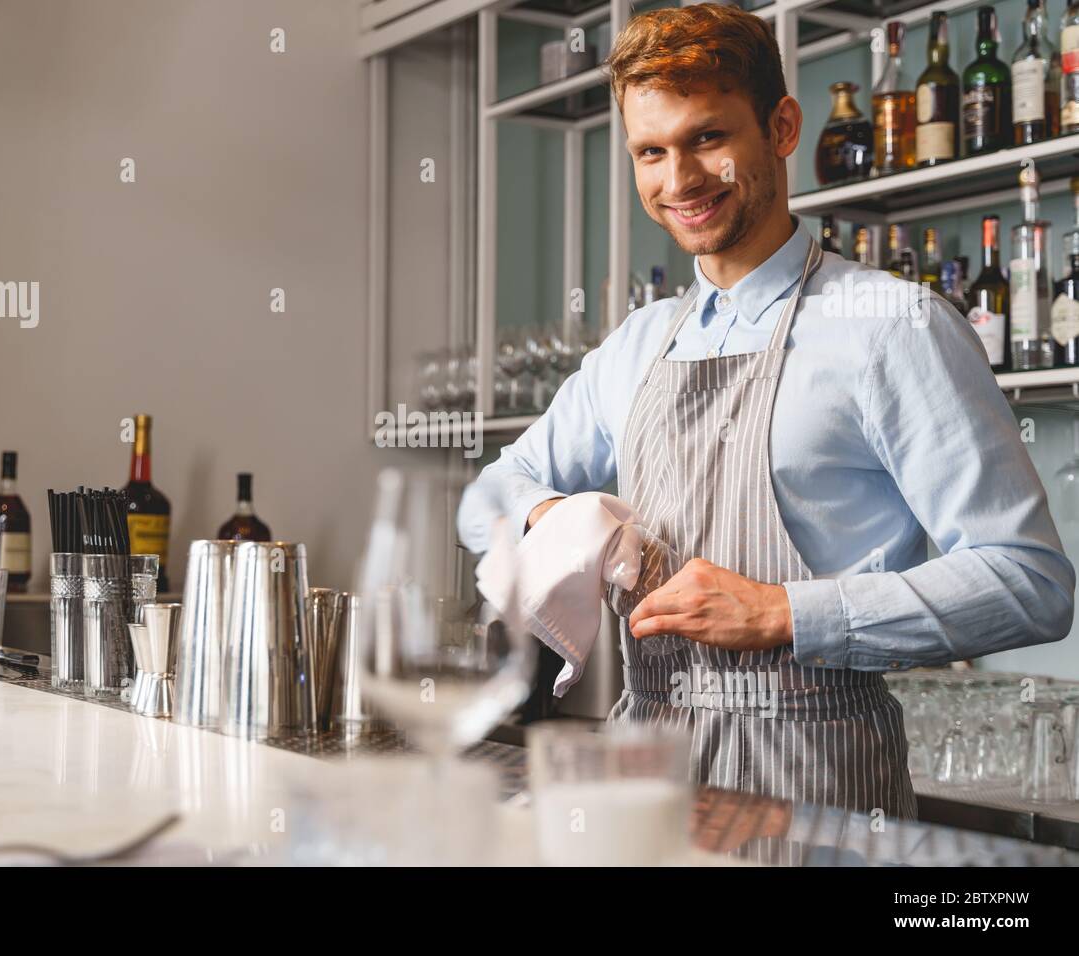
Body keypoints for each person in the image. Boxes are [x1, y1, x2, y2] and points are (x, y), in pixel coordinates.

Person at [456, 3, 1074, 817]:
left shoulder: (894, 327)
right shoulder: (637, 346)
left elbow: (1029, 582)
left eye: (708, 138)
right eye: (651, 151)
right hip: (640, 779)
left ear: (783, 126)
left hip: (817, 780)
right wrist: (567, 519)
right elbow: (486, 499)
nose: (678, 182)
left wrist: (783, 611)